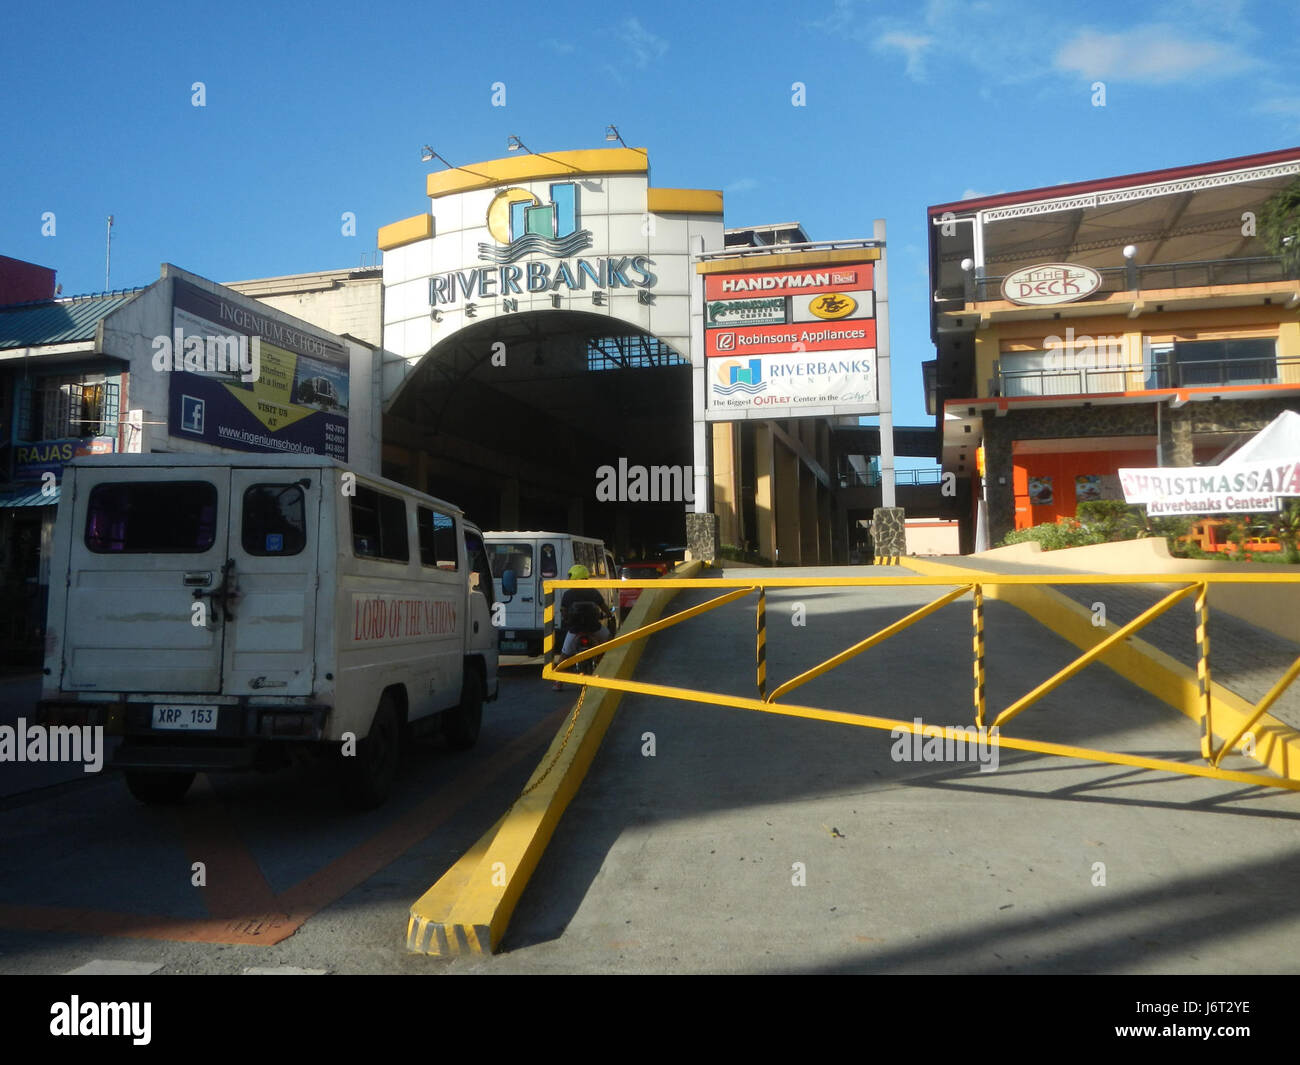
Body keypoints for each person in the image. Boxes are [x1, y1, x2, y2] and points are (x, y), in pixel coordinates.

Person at [553, 564, 613, 690]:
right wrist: (609, 615)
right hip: (594, 628)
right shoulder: (593, 592)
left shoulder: (568, 594)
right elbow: (604, 607)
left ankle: (558, 682)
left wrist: (566, 620)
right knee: (608, 642)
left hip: (575, 630)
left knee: (564, 654)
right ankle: (606, 672)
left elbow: (563, 611)